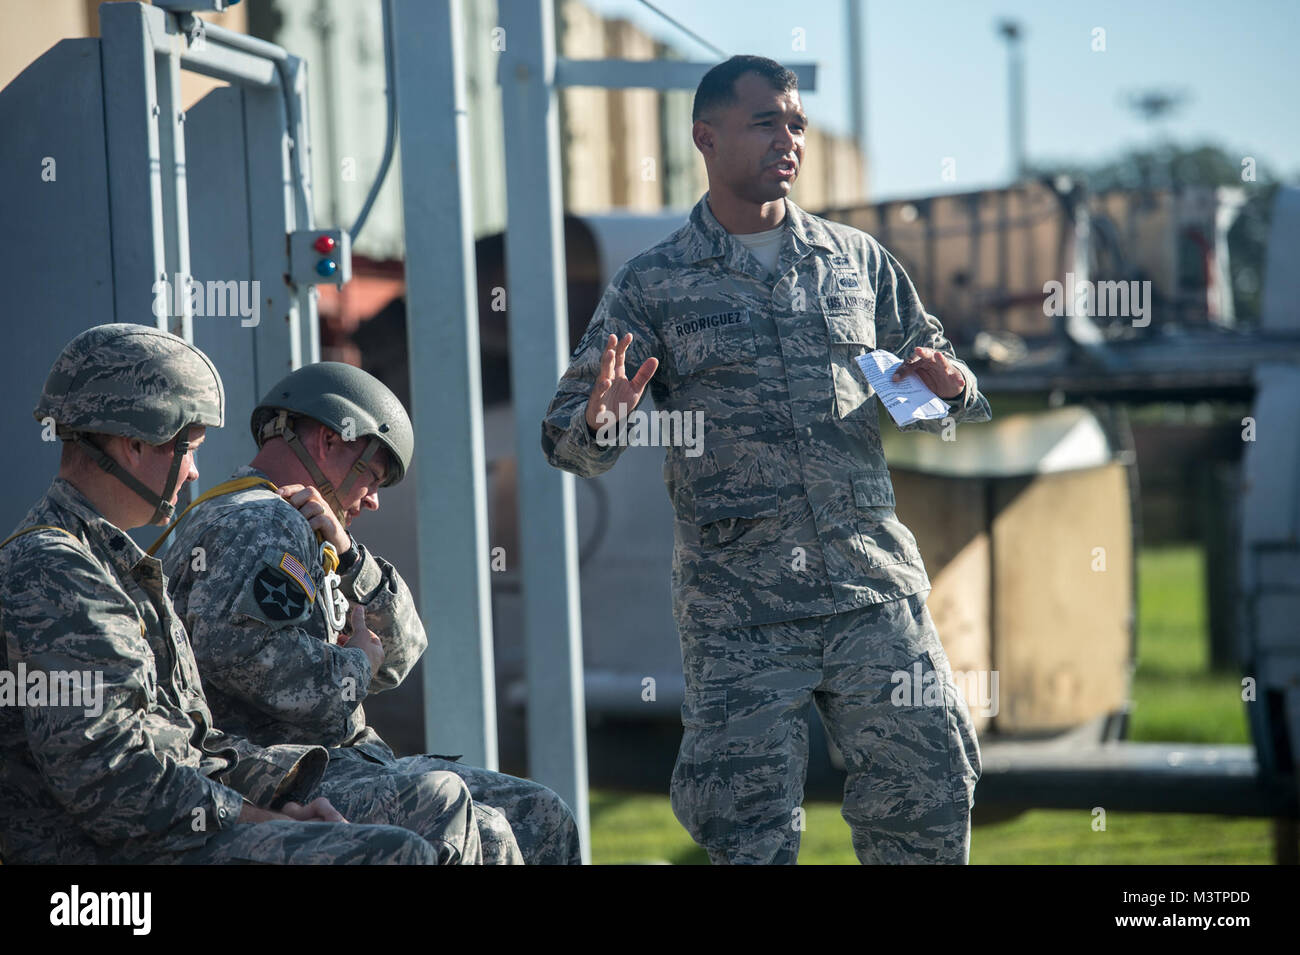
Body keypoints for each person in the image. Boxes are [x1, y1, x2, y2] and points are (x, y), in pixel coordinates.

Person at [542, 56, 989, 864]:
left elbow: (932, 384)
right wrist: (603, 421)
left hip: (870, 588)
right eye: (765, 123)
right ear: (705, 138)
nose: (788, 139)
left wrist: (951, 388)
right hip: (739, 612)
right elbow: (570, 435)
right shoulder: (654, 284)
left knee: (929, 793)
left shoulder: (855, 260)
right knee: (745, 829)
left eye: (796, 124)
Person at [0, 323, 475, 864]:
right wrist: (267, 815)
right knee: (399, 852)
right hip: (112, 864)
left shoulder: (106, 566)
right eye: (188, 448)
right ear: (135, 444)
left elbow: (184, 745)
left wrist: (274, 798)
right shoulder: (58, 573)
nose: (196, 470)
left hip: (168, 830)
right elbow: (113, 780)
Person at [161, 361, 583, 865]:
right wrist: (356, 663)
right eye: (372, 475)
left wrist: (353, 560)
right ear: (329, 441)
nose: (375, 501)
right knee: (482, 824)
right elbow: (247, 660)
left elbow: (401, 654)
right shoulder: (264, 522)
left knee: (541, 813)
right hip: (282, 772)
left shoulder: (294, 523)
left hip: (335, 762)